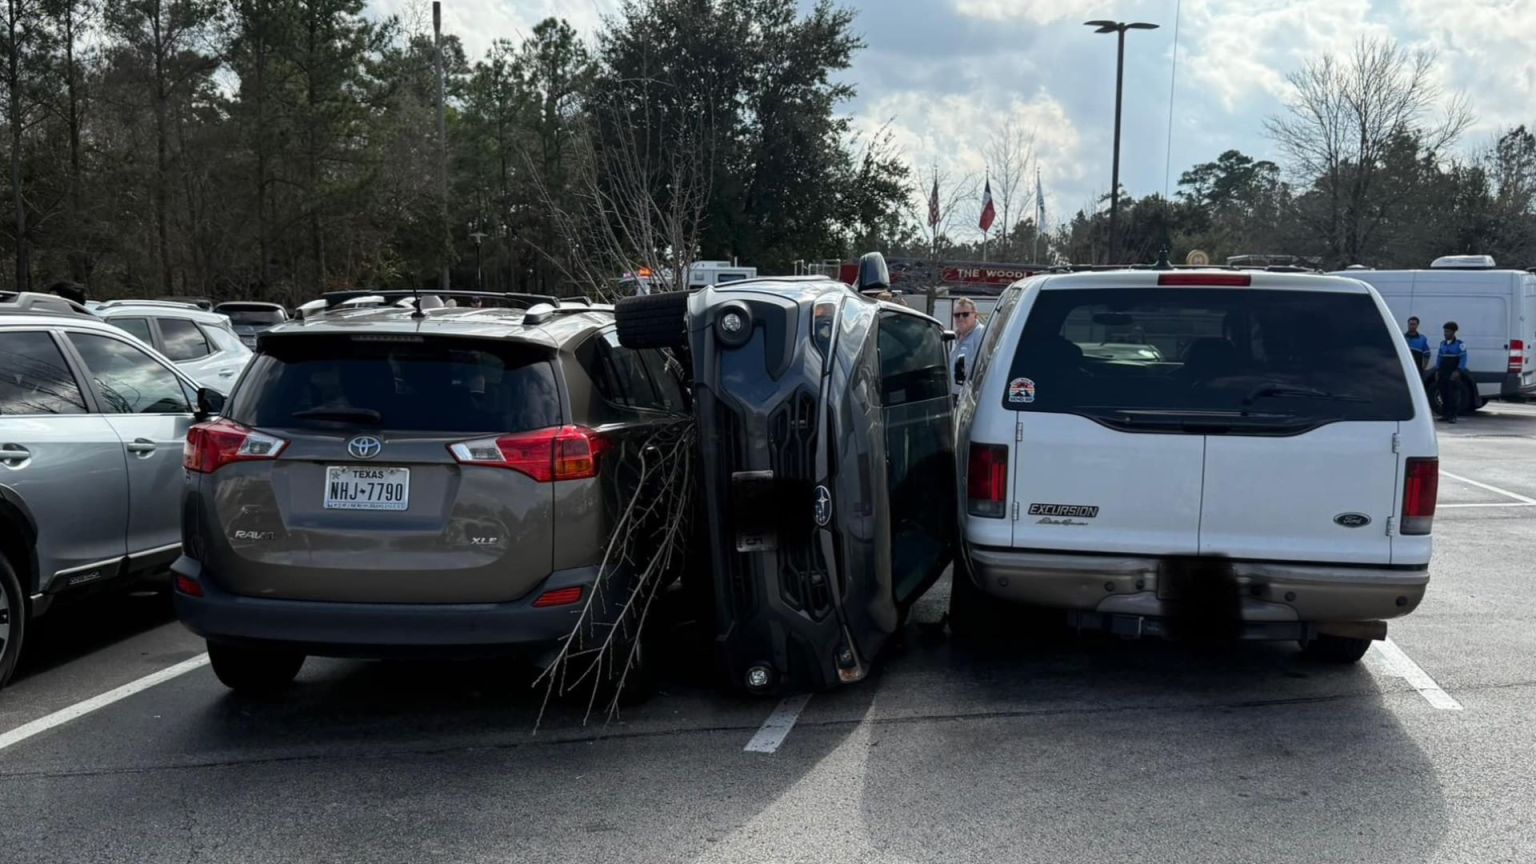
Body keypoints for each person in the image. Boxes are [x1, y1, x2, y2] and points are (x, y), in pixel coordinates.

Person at [1435, 321, 1468, 424]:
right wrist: (1437, 370)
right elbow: (1439, 357)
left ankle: (1453, 416)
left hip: (1453, 371)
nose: (1445, 333)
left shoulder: (1460, 345)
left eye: (1448, 331)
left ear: (1454, 332)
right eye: (1445, 331)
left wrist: (1458, 371)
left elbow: (1463, 358)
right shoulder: (1442, 344)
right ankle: (1445, 414)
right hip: (1443, 371)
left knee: (1453, 394)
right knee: (1443, 393)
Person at [951, 297, 985, 393]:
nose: (960, 318)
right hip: (955, 396)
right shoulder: (957, 336)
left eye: (965, 314)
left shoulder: (982, 335)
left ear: (976, 316)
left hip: (969, 398)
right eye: (957, 315)